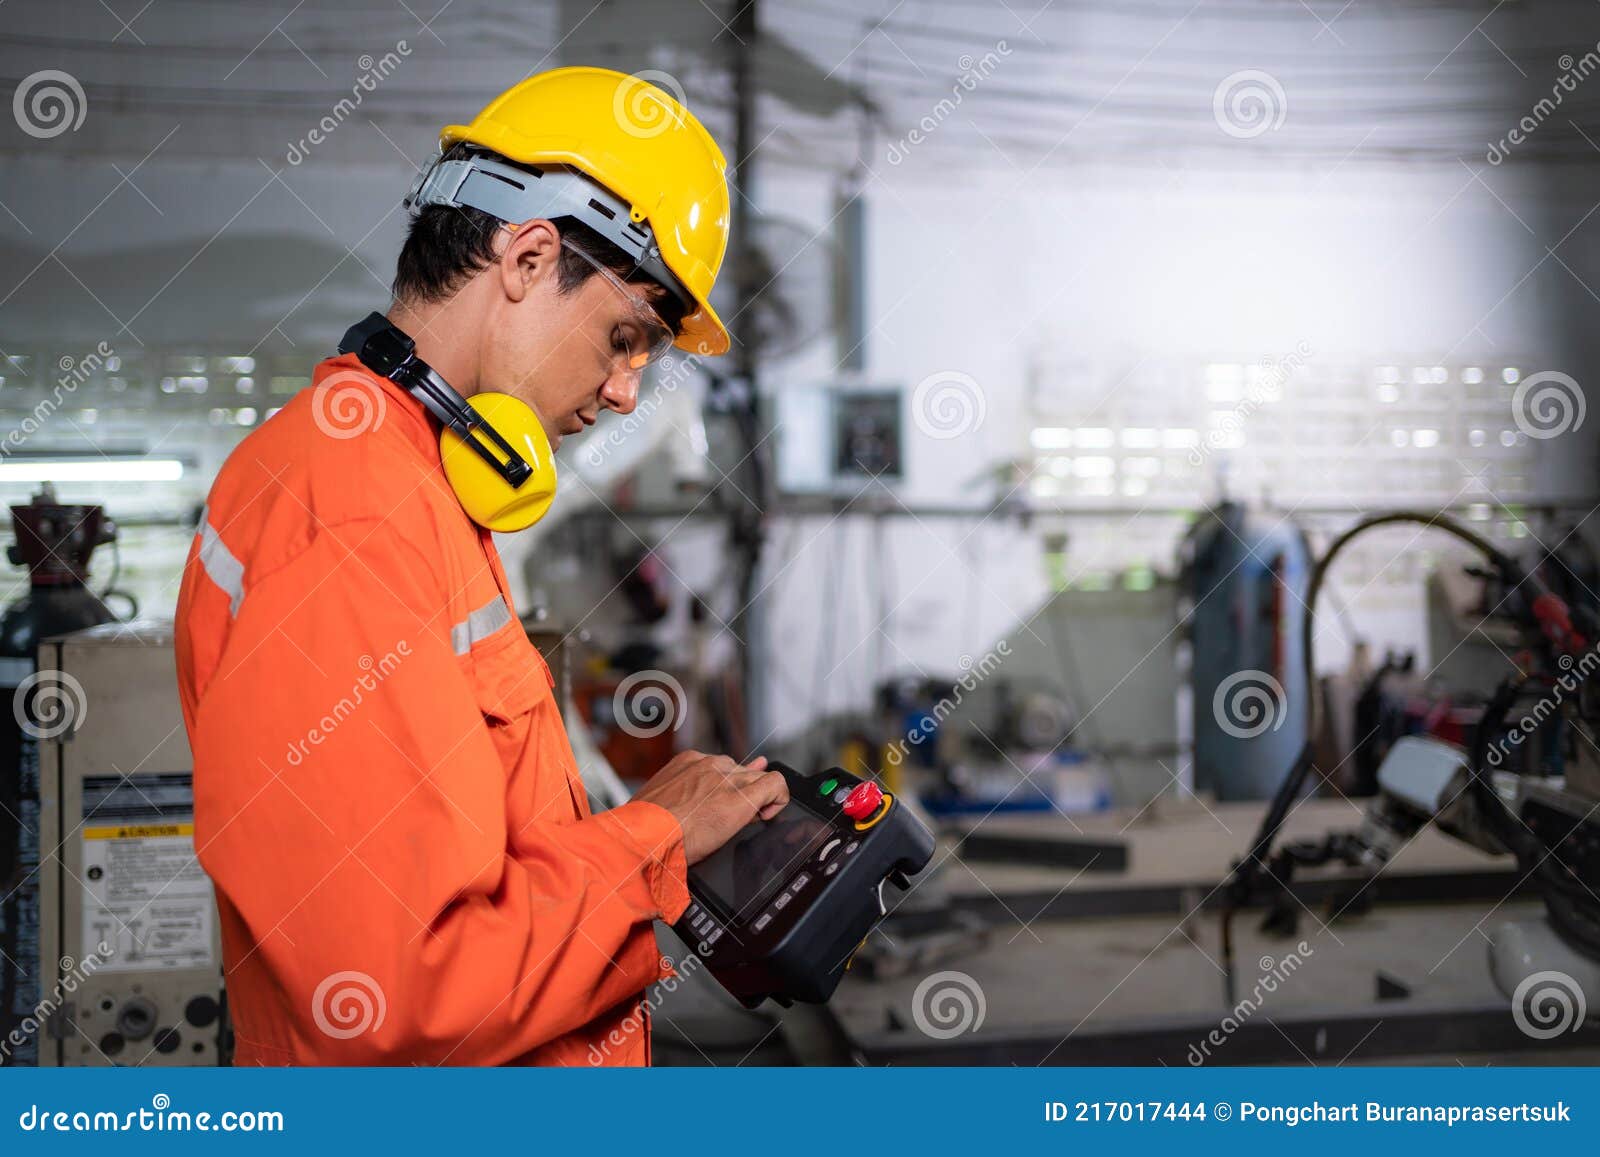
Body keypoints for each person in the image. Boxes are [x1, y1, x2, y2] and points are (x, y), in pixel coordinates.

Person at [174, 66, 788, 1066]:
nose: (628, 392)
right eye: (625, 337)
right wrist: (648, 840)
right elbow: (408, 988)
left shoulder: (413, 477)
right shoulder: (354, 509)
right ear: (530, 254)